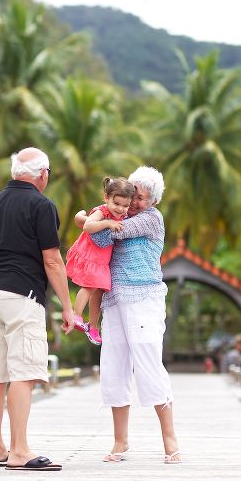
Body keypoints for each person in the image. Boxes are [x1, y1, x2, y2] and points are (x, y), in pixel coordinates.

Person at [0, 147, 76, 471]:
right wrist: (68, 308)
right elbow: (52, 260)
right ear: (42, 173)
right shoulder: (41, 205)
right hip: (22, 295)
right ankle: (19, 451)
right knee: (24, 374)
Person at [78, 165, 181, 464]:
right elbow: (99, 240)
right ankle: (120, 441)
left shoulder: (151, 219)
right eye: (134, 195)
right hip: (114, 299)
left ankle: (169, 439)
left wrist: (93, 220)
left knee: (148, 361)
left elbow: (114, 233)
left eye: (143, 199)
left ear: (154, 202)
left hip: (144, 297)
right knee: (114, 365)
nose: (135, 203)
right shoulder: (115, 215)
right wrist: (96, 223)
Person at [65, 177, 135, 345]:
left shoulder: (122, 216)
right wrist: (108, 223)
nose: (120, 209)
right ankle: (76, 315)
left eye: (125, 206)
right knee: (89, 287)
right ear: (106, 198)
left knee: (98, 292)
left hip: (102, 261)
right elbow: (88, 226)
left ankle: (93, 327)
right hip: (90, 255)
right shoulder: (103, 212)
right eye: (116, 203)